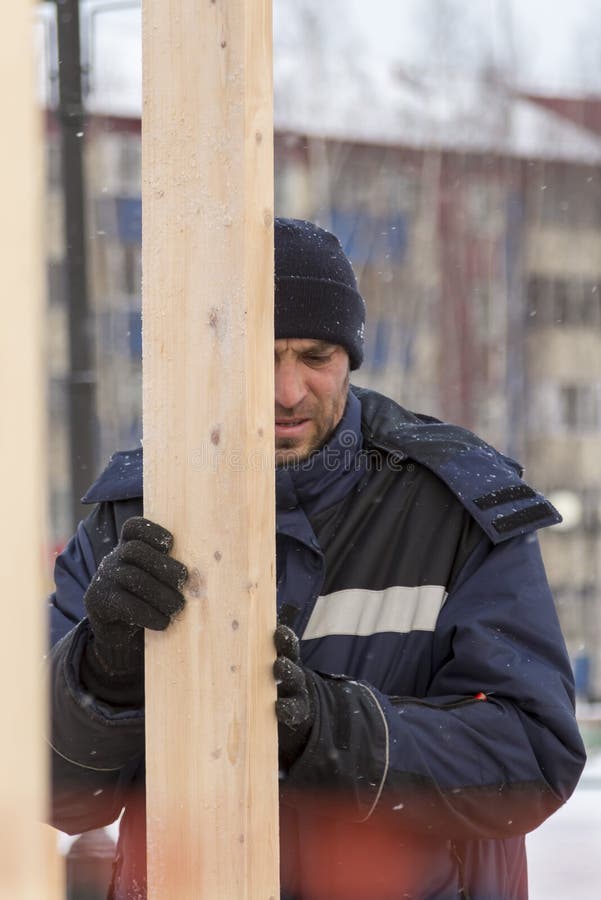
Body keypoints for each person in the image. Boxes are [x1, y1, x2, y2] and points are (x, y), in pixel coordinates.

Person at [48, 217, 585, 900]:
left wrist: (331, 733)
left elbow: (533, 760)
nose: (287, 391)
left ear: (350, 359)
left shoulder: (454, 508)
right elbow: (52, 791)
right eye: (260, 356)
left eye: (314, 356)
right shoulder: (129, 519)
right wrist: (102, 675)